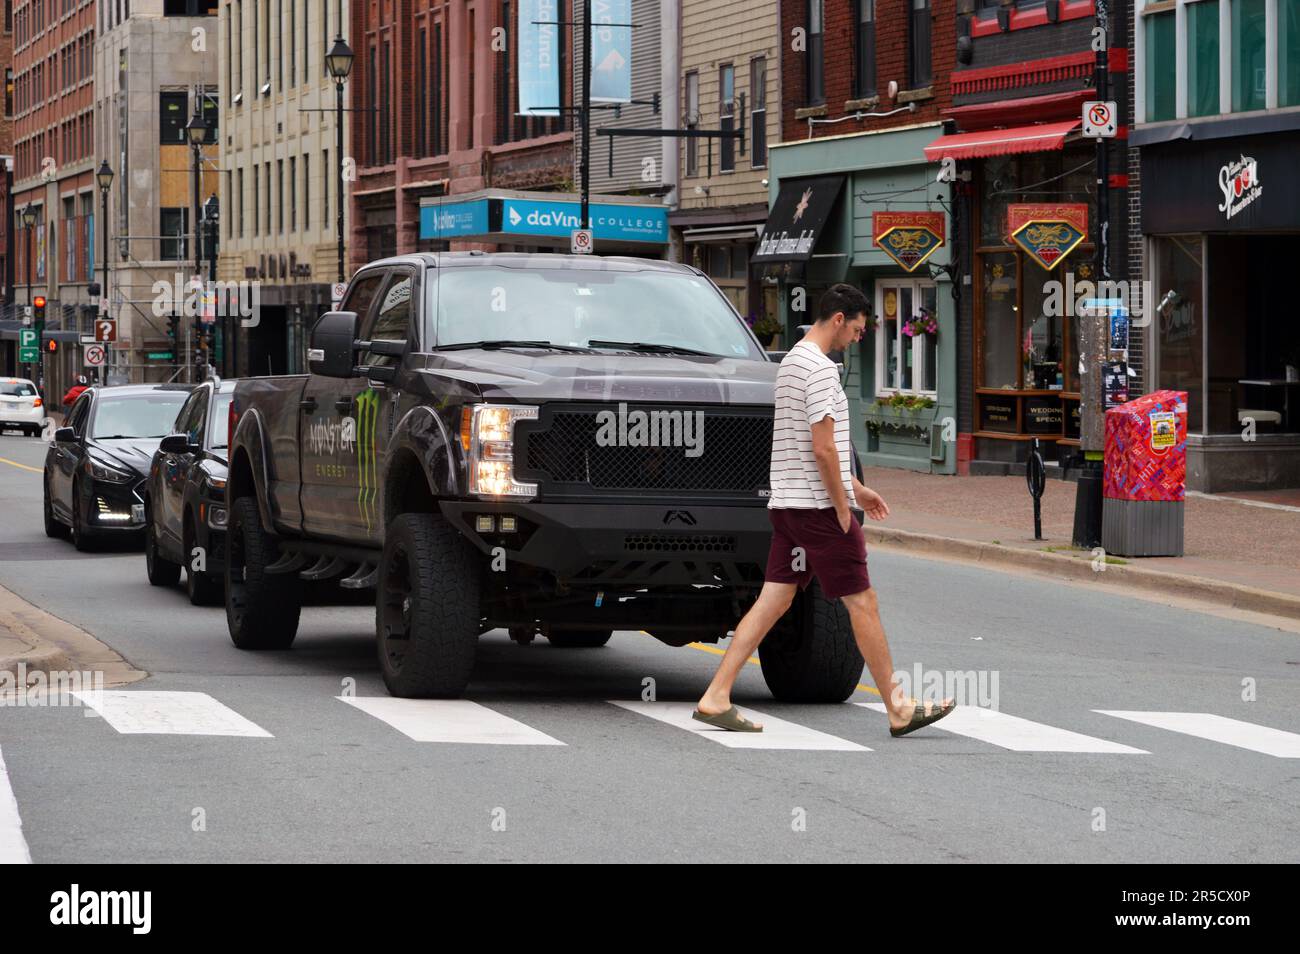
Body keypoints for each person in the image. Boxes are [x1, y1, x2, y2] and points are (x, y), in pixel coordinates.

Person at [693, 284, 956, 737]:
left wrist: (859, 488)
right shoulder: (820, 371)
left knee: (773, 599)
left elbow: (811, 446)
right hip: (818, 508)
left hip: (789, 506)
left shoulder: (792, 361)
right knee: (862, 601)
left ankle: (716, 696)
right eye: (856, 328)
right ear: (838, 319)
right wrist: (842, 505)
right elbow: (823, 450)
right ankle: (897, 707)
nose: (857, 337)